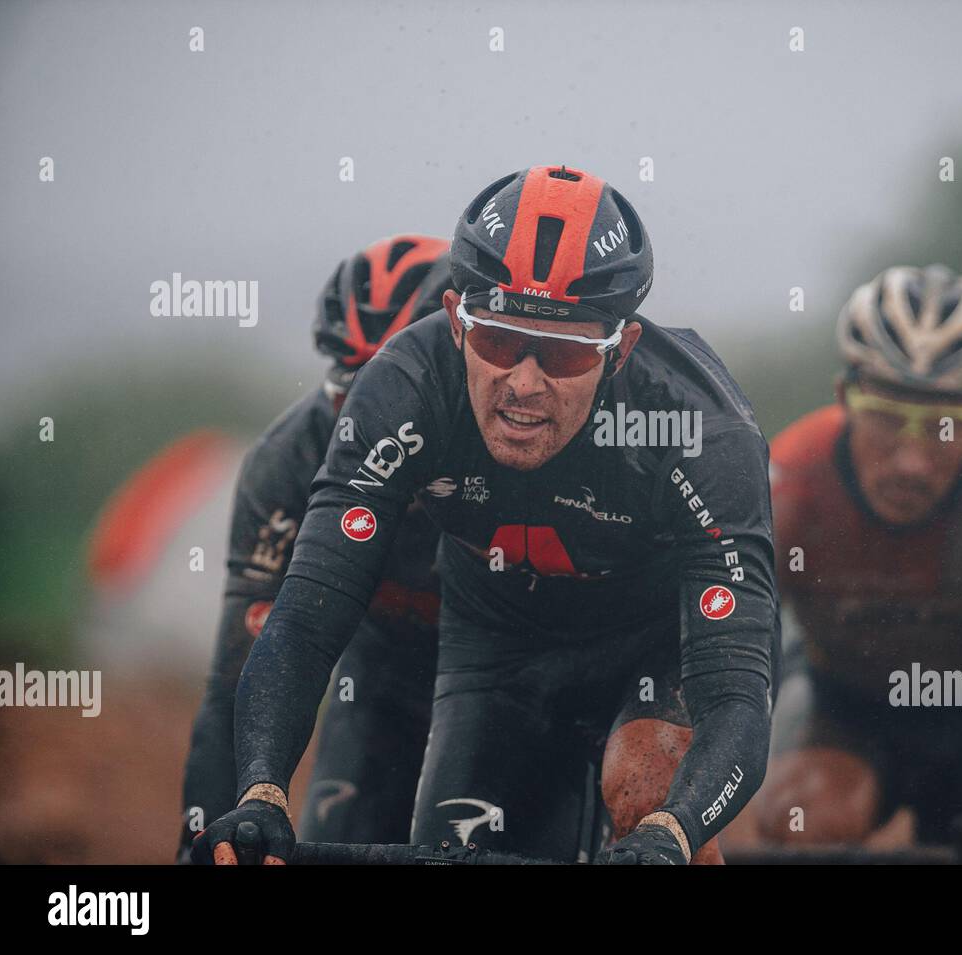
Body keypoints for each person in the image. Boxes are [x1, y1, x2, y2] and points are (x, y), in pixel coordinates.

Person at [191, 164, 779, 866]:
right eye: (498, 342)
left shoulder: (699, 426)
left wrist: (675, 832)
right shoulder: (406, 385)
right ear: (455, 321)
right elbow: (307, 615)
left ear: (619, 351)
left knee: (647, 788)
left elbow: (737, 695)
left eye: (561, 353)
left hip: (661, 645)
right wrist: (261, 791)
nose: (523, 384)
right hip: (500, 645)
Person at [727, 265, 962, 864]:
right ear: (845, 399)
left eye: (944, 428)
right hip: (846, 710)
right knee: (810, 820)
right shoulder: (786, 490)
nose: (911, 463)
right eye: (888, 420)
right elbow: (710, 670)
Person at [177, 236, 452, 861]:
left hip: (515, 680)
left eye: (387, 384)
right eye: (344, 388)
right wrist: (197, 842)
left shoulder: (507, 439)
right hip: (379, 681)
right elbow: (232, 688)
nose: (362, 414)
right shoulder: (285, 461)